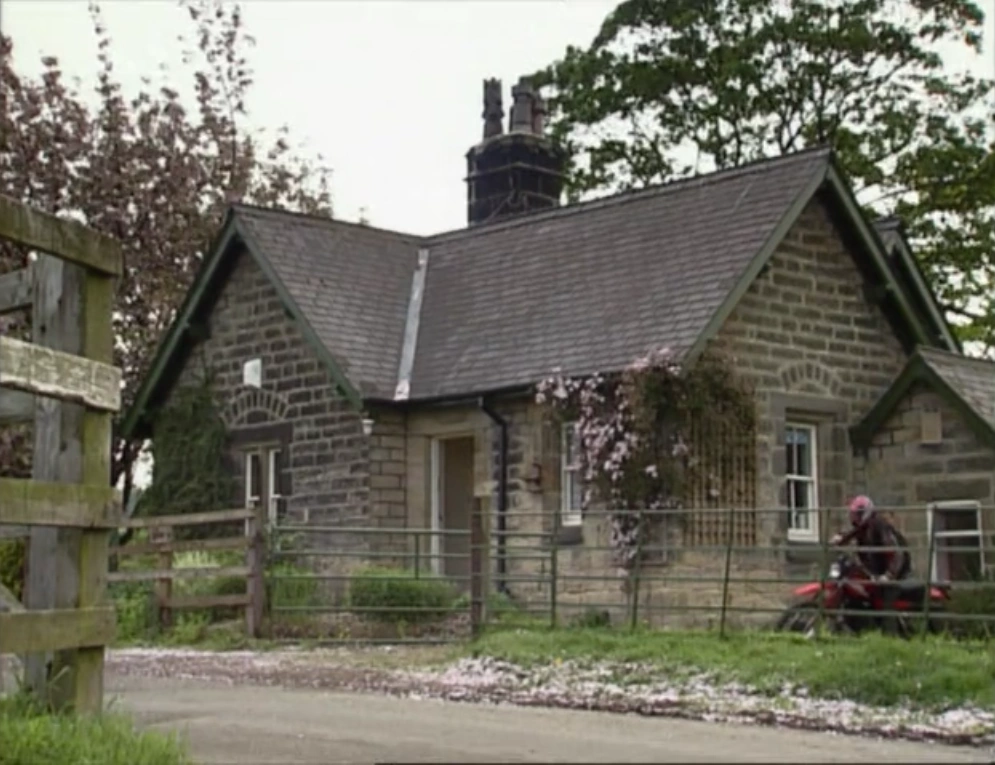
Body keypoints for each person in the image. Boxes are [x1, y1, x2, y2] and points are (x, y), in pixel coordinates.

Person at [830, 495, 911, 634]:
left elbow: (897, 554)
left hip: (893, 573)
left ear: (865, 513)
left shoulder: (880, 526)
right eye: (852, 514)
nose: (853, 518)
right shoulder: (863, 527)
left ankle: (890, 639)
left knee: (886, 602)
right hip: (875, 572)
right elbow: (851, 534)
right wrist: (839, 539)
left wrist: (889, 575)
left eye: (856, 514)